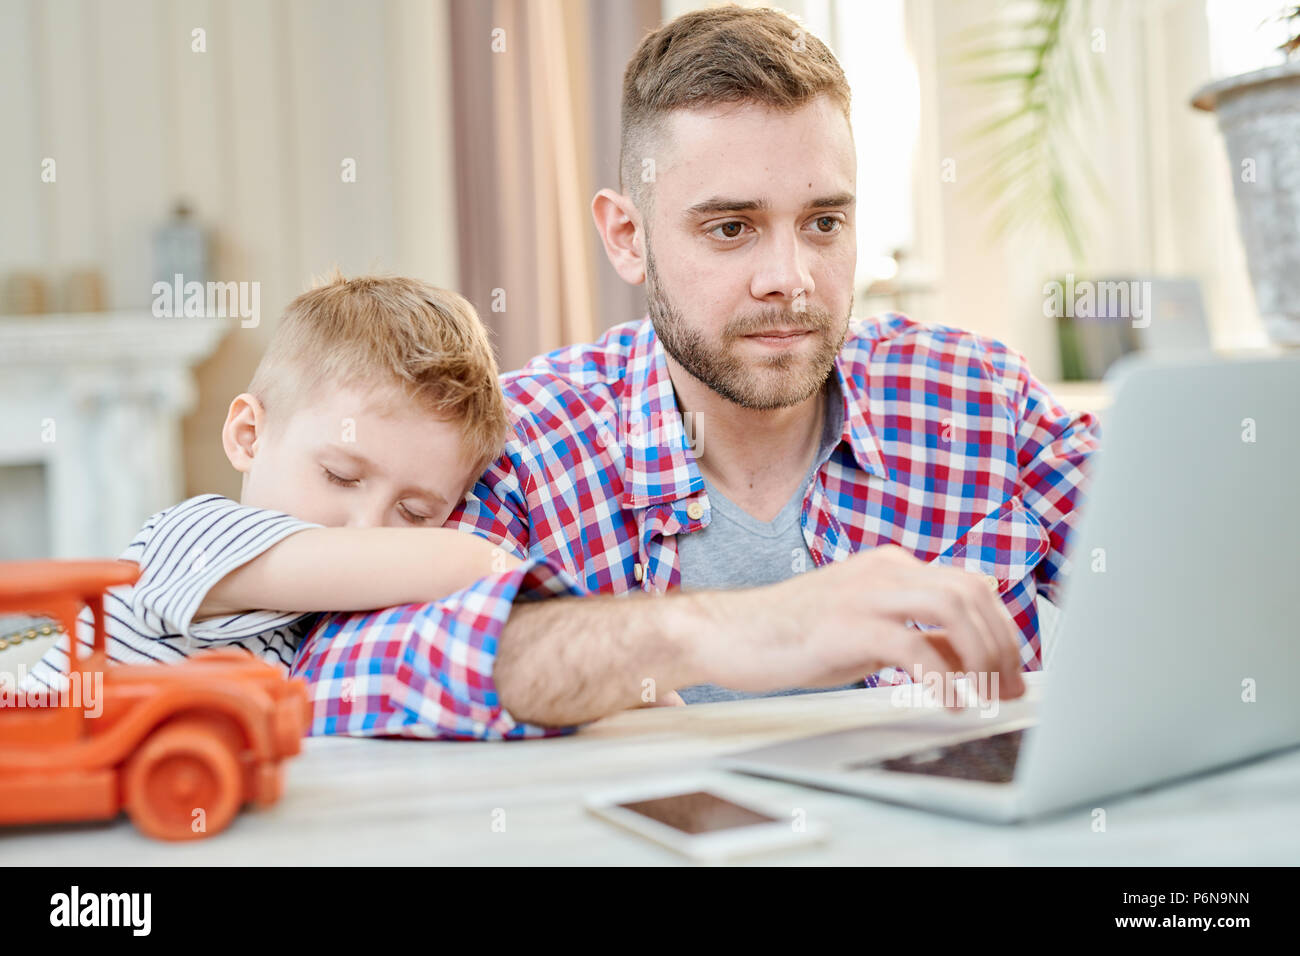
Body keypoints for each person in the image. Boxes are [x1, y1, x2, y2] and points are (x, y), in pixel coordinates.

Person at [293, 5, 1101, 740]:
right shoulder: (527, 442)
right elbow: (335, 674)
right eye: (730, 227)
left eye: (824, 222)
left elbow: (1195, 560)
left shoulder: (978, 399)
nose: (790, 276)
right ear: (627, 236)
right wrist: (710, 631)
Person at [22, 271, 521, 693]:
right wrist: (514, 572)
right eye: (341, 476)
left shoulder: (320, 622)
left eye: (415, 513)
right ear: (248, 436)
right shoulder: (195, 535)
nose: (369, 528)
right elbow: (470, 563)